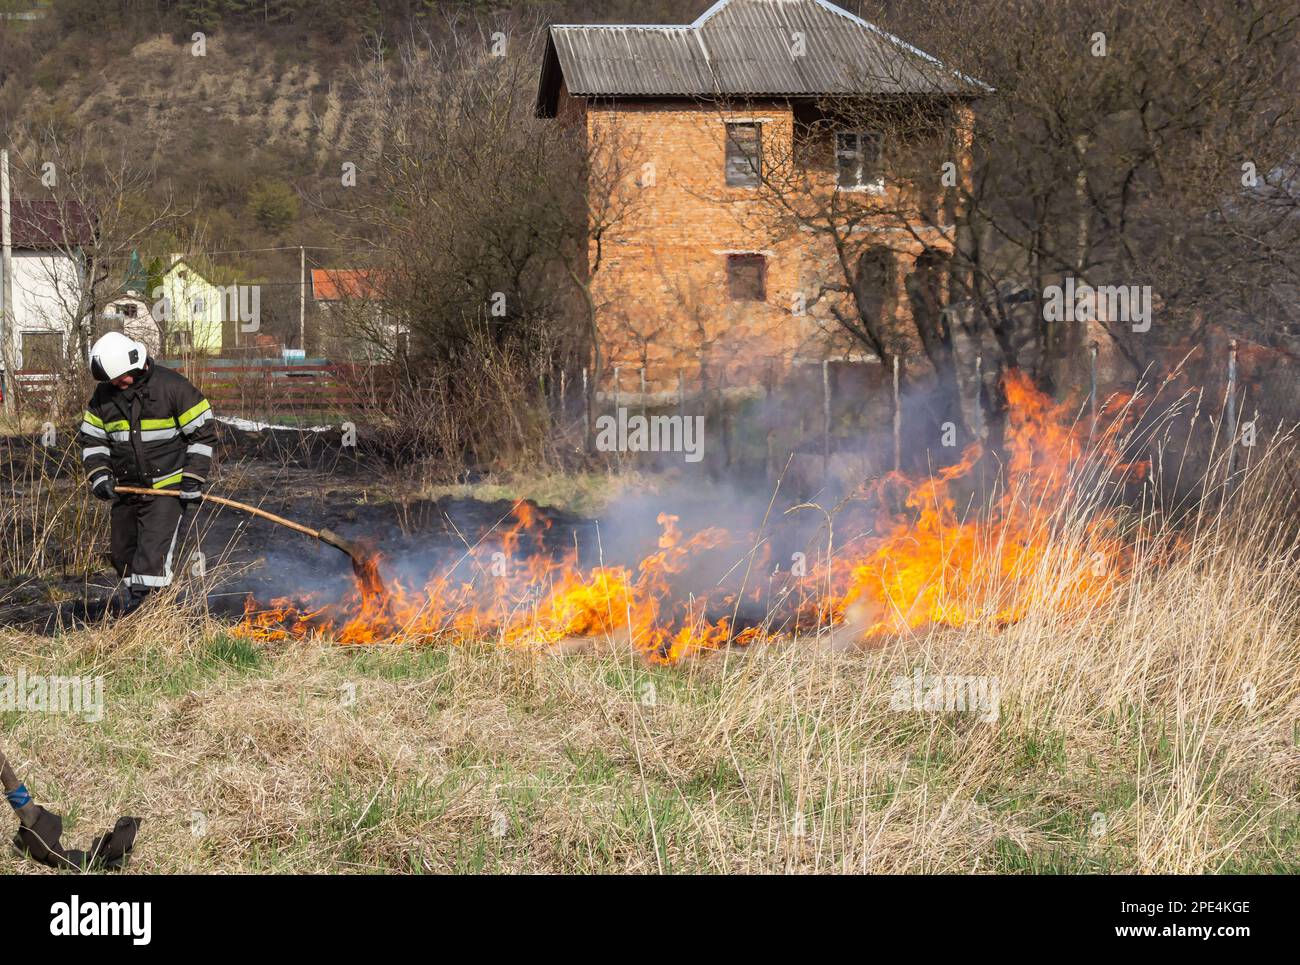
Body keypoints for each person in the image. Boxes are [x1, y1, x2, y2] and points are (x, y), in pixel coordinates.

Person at [77, 332, 217, 613]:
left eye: (120, 379)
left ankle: (149, 611)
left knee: (152, 554)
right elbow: (92, 440)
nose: (117, 385)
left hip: (167, 487)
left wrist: (192, 479)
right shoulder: (104, 397)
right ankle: (140, 604)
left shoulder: (172, 387)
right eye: (112, 381)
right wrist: (100, 475)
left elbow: (203, 434)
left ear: (136, 365)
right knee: (121, 553)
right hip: (127, 488)